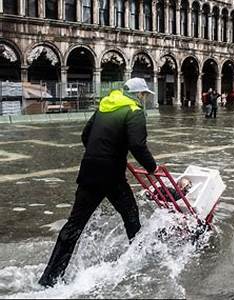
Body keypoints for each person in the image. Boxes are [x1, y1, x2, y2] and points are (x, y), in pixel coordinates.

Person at [38, 78, 157, 288]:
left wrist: (100, 152)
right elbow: (138, 145)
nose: (144, 98)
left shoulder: (105, 105)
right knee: (130, 215)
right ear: (139, 94)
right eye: (144, 95)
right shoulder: (134, 110)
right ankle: (138, 259)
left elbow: (85, 135)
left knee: (74, 225)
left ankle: (50, 278)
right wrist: (152, 168)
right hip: (111, 175)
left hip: (90, 170)